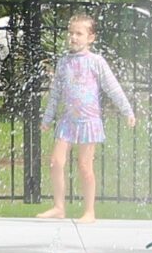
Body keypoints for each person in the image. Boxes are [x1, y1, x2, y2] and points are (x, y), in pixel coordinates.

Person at [36, 12, 137, 224]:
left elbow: (112, 87)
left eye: (79, 33)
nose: (73, 37)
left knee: (85, 166)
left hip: (89, 122)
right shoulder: (64, 63)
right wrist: (47, 118)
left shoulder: (96, 62)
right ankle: (59, 207)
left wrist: (127, 110)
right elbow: (55, 92)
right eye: (71, 33)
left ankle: (89, 211)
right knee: (55, 162)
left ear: (90, 38)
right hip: (67, 121)